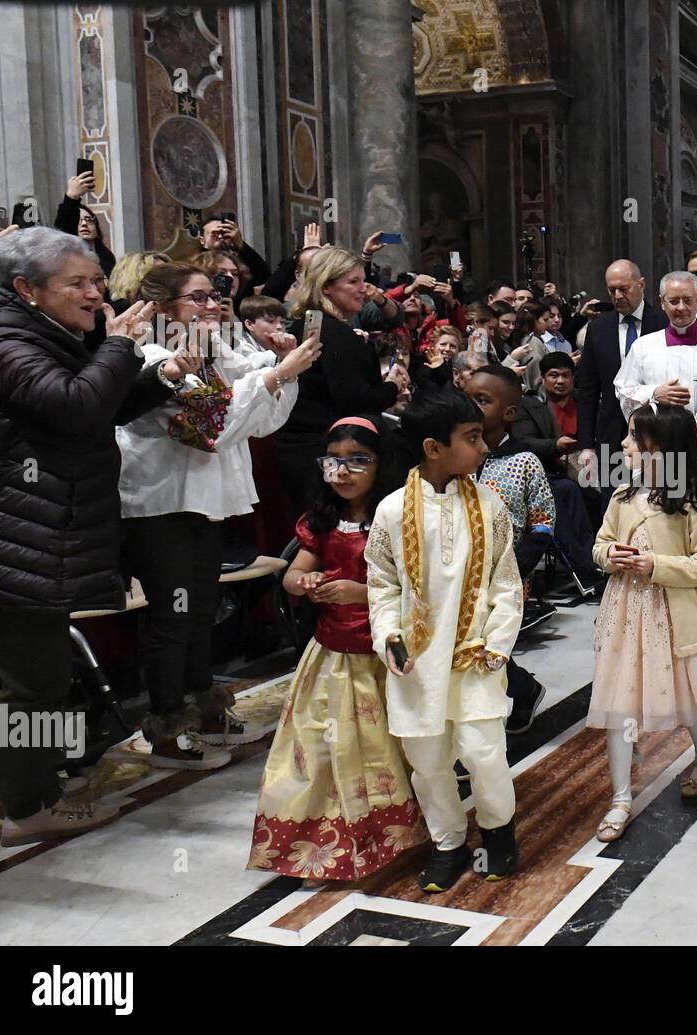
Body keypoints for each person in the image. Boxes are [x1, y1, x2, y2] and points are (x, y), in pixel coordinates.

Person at [0, 228, 175, 845]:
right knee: (32, 681)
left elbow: (92, 410)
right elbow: (74, 407)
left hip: (29, 529)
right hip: (15, 533)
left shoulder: (36, 330)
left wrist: (157, 379)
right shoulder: (4, 339)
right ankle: (29, 807)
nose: (96, 293)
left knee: (22, 675)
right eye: (79, 283)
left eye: (96, 280)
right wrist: (119, 349)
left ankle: (23, 782)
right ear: (26, 289)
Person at [119, 263, 319, 768]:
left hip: (205, 499)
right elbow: (212, 427)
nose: (211, 306)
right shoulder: (153, 356)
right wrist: (278, 372)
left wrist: (278, 370)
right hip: (160, 502)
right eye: (197, 298)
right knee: (172, 616)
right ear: (164, 310)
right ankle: (166, 727)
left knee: (201, 609)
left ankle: (203, 708)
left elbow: (261, 418)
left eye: (215, 296)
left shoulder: (213, 351)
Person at [251, 417, 425, 880]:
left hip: (383, 655)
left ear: (381, 464)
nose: (344, 472)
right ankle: (322, 839)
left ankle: (393, 834)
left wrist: (358, 592)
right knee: (320, 748)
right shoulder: (322, 519)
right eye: (335, 462)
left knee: (386, 749)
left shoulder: (396, 519)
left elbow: (417, 590)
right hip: (331, 655)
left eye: (358, 461)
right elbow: (291, 573)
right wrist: (304, 581)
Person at [366, 389, 524, 892]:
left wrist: (498, 642)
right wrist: (388, 636)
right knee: (428, 761)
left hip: (476, 656)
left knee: (483, 753)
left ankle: (499, 833)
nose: (482, 448)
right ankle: (448, 841)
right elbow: (382, 585)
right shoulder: (392, 511)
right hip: (416, 663)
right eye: (472, 438)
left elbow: (506, 582)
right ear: (433, 448)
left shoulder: (490, 506)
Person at [588, 403, 697, 841]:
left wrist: (656, 564)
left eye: (634, 437)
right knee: (620, 702)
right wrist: (611, 555)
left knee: (686, 694)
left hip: (672, 619)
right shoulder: (621, 497)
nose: (624, 444)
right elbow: (600, 545)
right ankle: (621, 797)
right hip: (627, 615)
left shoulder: (687, 507)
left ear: (661, 449)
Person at [277, 247, 412, 513]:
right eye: (353, 282)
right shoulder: (338, 335)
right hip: (326, 453)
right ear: (326, 286)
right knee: (331, 527)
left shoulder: (303, 325)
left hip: (295, 450)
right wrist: (392, 386)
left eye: (363, 280)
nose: (364, 289)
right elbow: (354, 404)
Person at [465, 365, 555, 734]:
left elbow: (543, 524)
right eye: (466, 398)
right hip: (461, 571)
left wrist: (513, 571)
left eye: (481, 401)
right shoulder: (456, 459)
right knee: (471, 646)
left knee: (490, 644)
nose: (471, 407)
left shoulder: (524, 462)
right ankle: (522, 688)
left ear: (509, 413)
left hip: (508, 575)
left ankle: (521, 690)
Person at [576, 260, 669, 492]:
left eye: (623, 289)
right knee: (612, 506)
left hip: (656, 432)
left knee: (656, 501)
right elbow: (587, 389)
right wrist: (586, 445)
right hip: (611, 433)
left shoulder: (663, 323)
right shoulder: (598, 328)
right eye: (611, 290)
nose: (617, 296)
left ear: (641, 285)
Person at [512, 351, 600, 581]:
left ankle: (605, 552)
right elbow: (524, 441)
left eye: (565, 376)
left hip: (589, 459)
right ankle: (585, 562)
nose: (560, 381)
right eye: (553, 376)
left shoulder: (586, 401)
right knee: (573, 488)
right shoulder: (529, 405)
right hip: (548, 467)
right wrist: (555, 445)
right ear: (542, 378)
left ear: (573, 378)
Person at [614, 270, 697, 417]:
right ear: (662, 303)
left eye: (687, 300)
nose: (681, 308)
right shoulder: (642, 347)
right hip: (659, 436)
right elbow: (623, 389)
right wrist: (653, 393)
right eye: (674, 301)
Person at [54, 169, 115, 277]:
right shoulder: (69, 255)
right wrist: (71, 197)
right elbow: (63, 228)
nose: (83, 224)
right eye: (78, 221)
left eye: (88, 219)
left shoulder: (107, 256)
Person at [199, 213, 271, 298]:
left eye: (223, 233)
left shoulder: (238, 260)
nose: (219, 236)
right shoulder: (197, 262)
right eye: (214, 233)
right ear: (202, 240)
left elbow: (264, 276)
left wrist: (240, 244)